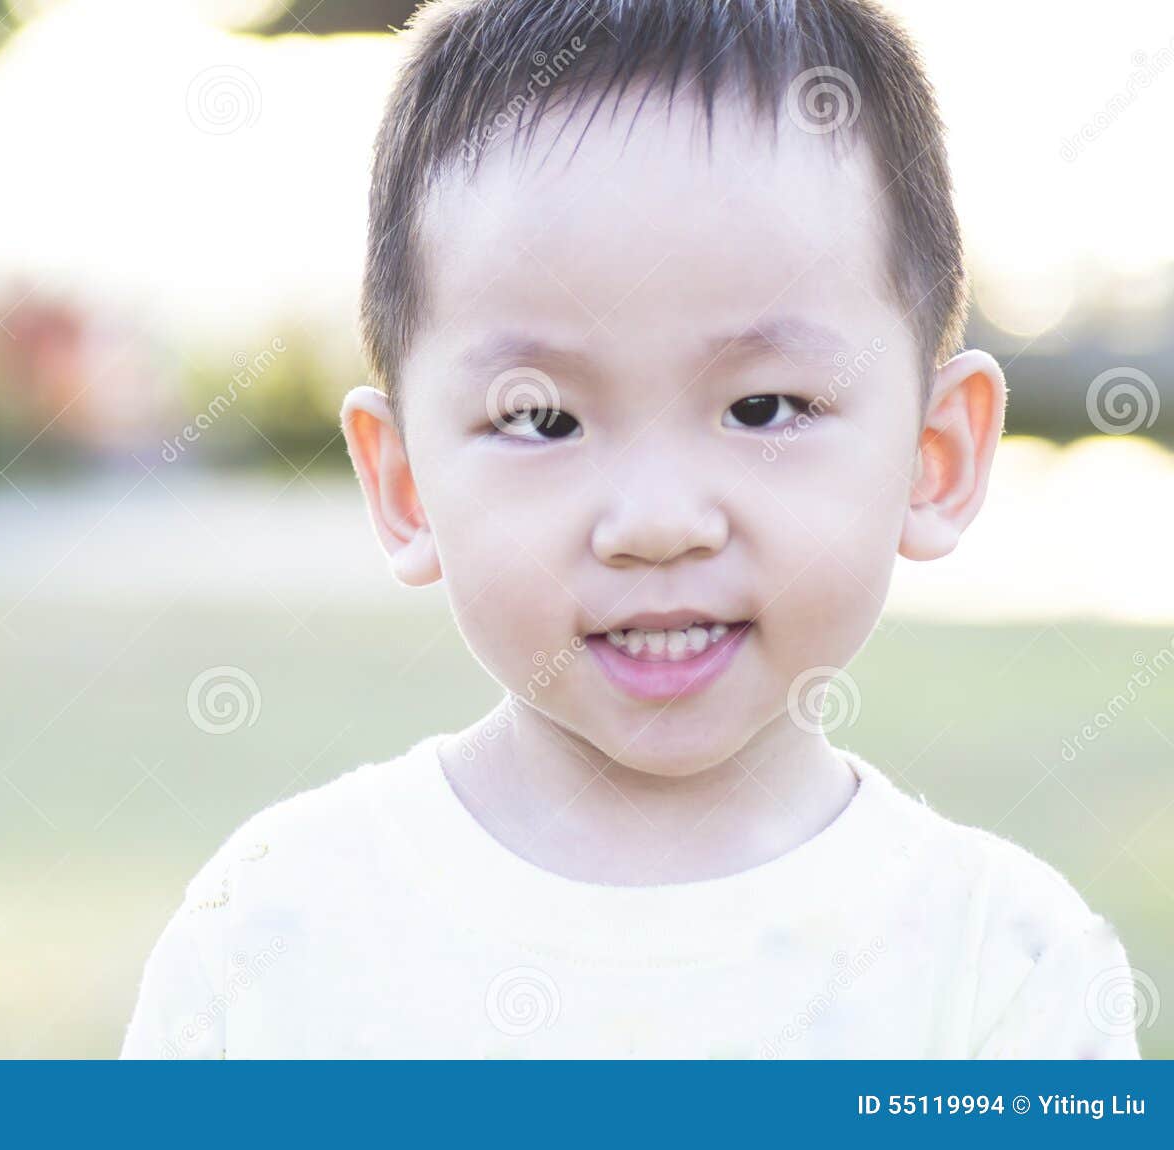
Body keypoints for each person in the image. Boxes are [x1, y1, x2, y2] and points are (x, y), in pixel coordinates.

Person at [121, 0, 1141, 1058]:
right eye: (539, 418)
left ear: (935, 455)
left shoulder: (1003, 975)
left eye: (763, 408)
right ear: (405, 481)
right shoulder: (272, 940)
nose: (656, 522)